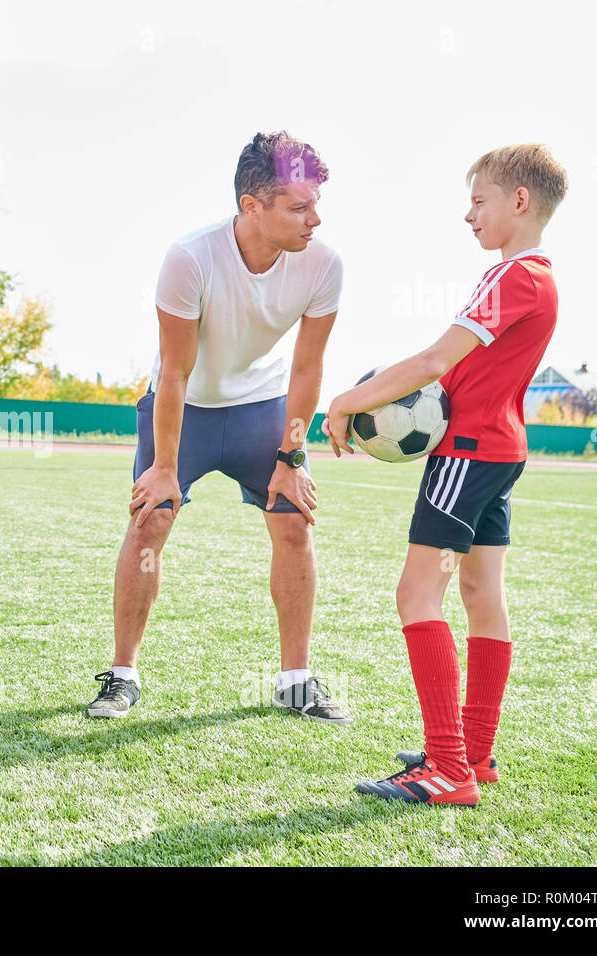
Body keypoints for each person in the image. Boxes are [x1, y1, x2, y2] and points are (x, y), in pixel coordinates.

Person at [324, 144, 568, 806]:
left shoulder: (514, 277)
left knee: (416, 595)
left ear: (520, 200)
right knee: (482, 592)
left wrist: (345, 401)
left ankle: (448, 768)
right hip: (500, 449)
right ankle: (475, 753)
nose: (469, 215)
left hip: (467, 452)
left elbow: (435, 361)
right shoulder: (537, 277)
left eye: (479, 201)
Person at [87, 131, 350, 725]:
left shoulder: (324, 264)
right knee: (150, 521)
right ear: (252, 206)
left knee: (294, 523)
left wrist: (292, 456)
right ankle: (123, 675)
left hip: (265, 407)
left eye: (316, 204)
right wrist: (163, 468)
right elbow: (175, 371)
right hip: (185, 406)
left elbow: (308, 369)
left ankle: (295, 682)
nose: (315, 219)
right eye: (300, 207)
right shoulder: (190, 257)